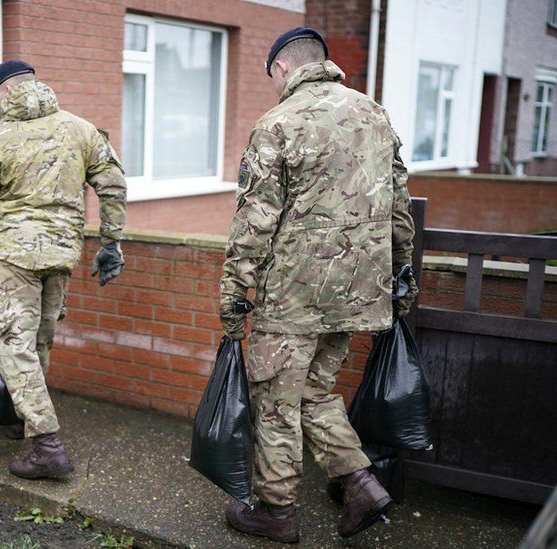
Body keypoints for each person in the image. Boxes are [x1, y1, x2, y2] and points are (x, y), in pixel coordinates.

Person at [218, 28, 417, 543]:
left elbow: (253, 222)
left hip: (295, 296)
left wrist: (234, 297)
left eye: (270, 77)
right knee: (315, 392)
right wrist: (402, 277)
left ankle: (276, 511)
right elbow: (399, 207)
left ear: (281, 67)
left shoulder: (278, 122)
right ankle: (359, 483)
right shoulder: (374, 114)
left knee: (277, 402)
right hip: (361, 292)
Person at [0, 60, 127, 480]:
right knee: (39, 338)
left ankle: (48, 446)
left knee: (13, 344)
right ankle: (28, 420)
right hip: (61, 252)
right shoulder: (81, 128)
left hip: (15, 255)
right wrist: (110, 242)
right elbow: (112, 182)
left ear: (5, 91)